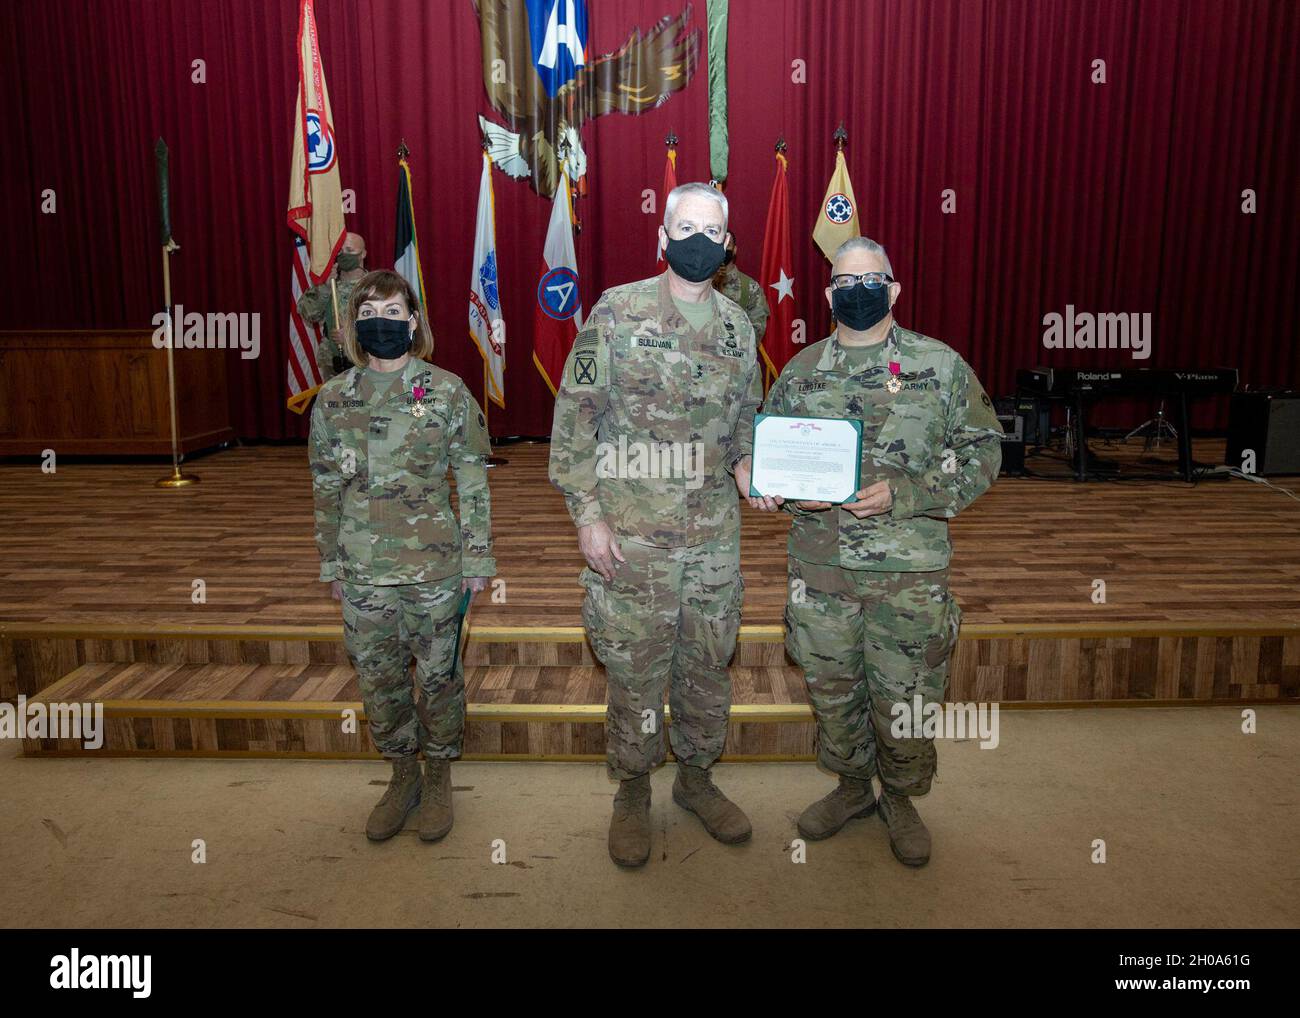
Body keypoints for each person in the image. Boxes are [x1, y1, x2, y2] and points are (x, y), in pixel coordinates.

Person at [762, 236, 1002, 867]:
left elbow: (985, 452)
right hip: (820, 573)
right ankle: (849, 787)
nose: (858, 291)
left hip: (908, 575)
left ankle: (900, 796)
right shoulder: (800, 370)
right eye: (845, 282)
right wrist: (791, 497)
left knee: (907, 695)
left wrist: (910, 491)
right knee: (832, 687)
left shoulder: (940, 366)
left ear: (894, 289)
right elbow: (770, 460)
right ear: (828, 293)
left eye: (871, 280)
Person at [549, 182, 769, 868]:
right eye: (686, 227)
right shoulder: (616, 312)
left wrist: (747, 468)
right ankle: (634, 789)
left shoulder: (739, 327)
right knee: (636, 670)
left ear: (729, 247)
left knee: (707, 664)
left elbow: (743, 427)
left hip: (711, 539)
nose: (699, 240)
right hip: (633, 536)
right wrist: (587, 517)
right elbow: (573, 421)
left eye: (713, 231)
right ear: (662, 236)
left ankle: (697, 781)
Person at [309, 269, 495, 843]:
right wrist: (331, 565)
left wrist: (478, 560)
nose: (382, 325)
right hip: (363, 568)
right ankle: (401, 773)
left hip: (435, 568)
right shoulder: (334, 399)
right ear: (353, 326)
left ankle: (438, 775)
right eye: (370, 314)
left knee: (439, 677)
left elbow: (472, 478)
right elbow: (324, 487)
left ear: (413, 323)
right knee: (379, 679)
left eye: (394, 314)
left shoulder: (446, 391)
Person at [298, 231, 368, 382]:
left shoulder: (376, 286)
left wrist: (353, 337)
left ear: (363, 254)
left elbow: (388, 329)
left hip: (368, 363)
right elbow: (309, 314)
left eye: (350, 250)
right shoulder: (329, 285)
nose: (344, 255)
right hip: (333, 365)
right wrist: (325, 286)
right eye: (340, 251)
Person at [712, 233, 769, 341]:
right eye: (719, 244)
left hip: (736, 354)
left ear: (734, 250)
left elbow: (756, 332)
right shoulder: (699, 284)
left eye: (728, 245)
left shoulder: (749, 287)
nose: (723, 249)